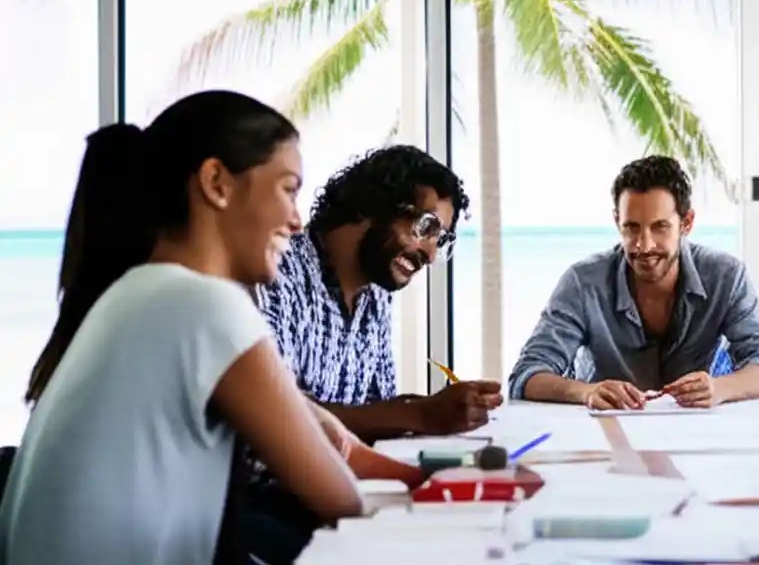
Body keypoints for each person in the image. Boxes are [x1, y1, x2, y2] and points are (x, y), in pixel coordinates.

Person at [0, 92, 376, 564]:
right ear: (216, 182)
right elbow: (341, 500)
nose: (297, 221)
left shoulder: (130, 296)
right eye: (288, 189)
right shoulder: (207, 305)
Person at [256, 145, 502, 441]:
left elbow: (374, 410)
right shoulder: (277, 273)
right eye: (427, 227)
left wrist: (436, 407)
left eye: (441, 239)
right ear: (373, 204)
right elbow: (275, 415)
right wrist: (420, 414)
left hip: (351, 474)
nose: (431, 254)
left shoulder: (375, 294)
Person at [508, 155, 759, 409]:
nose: (643, 244)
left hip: (696, 434)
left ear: (686, 223)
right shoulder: (583, 283)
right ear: (617, 222)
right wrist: (586, 392)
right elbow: (527, 374)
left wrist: (719, 388)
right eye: (632, 227)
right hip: (604, 435)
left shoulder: (725, 276)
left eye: (659, 227)